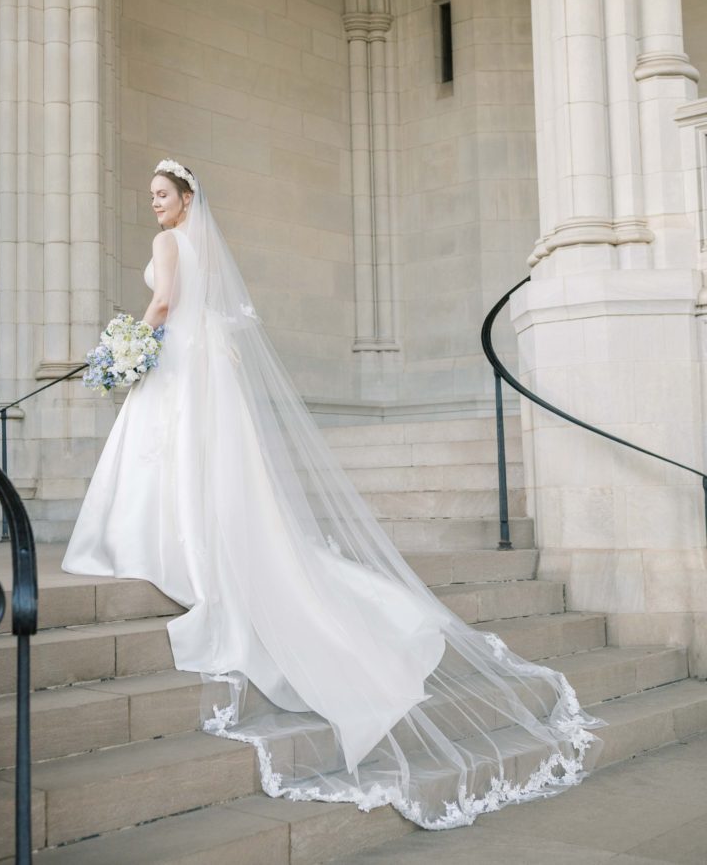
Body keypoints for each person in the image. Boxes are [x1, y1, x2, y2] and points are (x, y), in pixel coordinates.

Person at [62, 158, 601, 829]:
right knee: (205, 461)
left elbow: (166, 302)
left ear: (187, 197)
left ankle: (171, 543)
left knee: (172, 458)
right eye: (150, 197)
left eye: (163, 195)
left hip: (179, 360)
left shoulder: (170, 245)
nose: (154, 205)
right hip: (207, 369)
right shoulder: (204, 244)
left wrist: (132, 343)